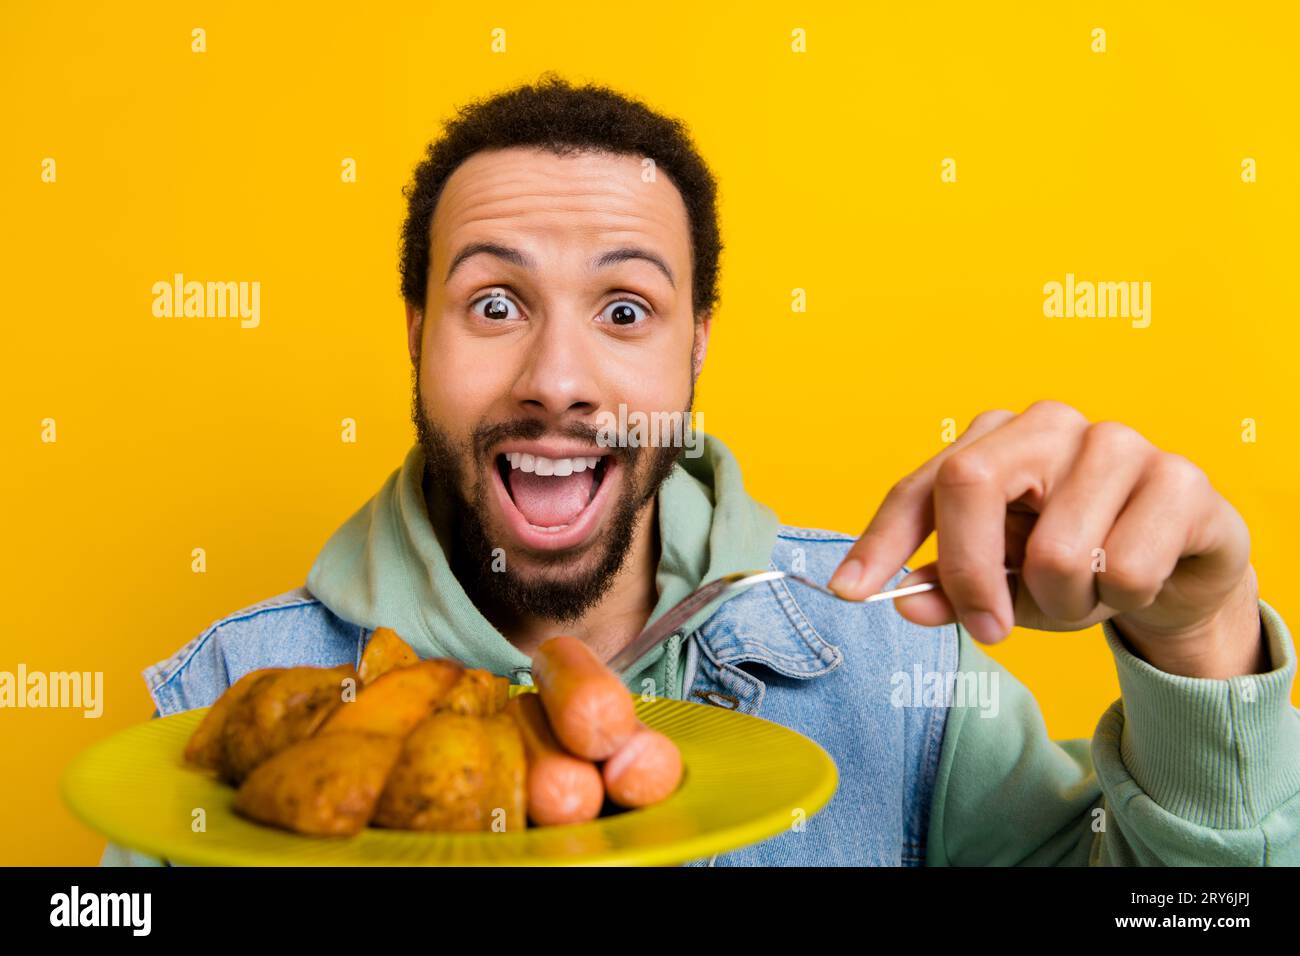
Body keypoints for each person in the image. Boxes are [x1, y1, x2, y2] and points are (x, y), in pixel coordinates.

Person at [103, 74, 1299, 867]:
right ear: (416, 334)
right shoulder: (227, 700)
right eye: (495, 302)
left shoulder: (900, 664)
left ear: (696, 348)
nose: (558, 377)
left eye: (625, 309)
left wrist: (1196, 647)